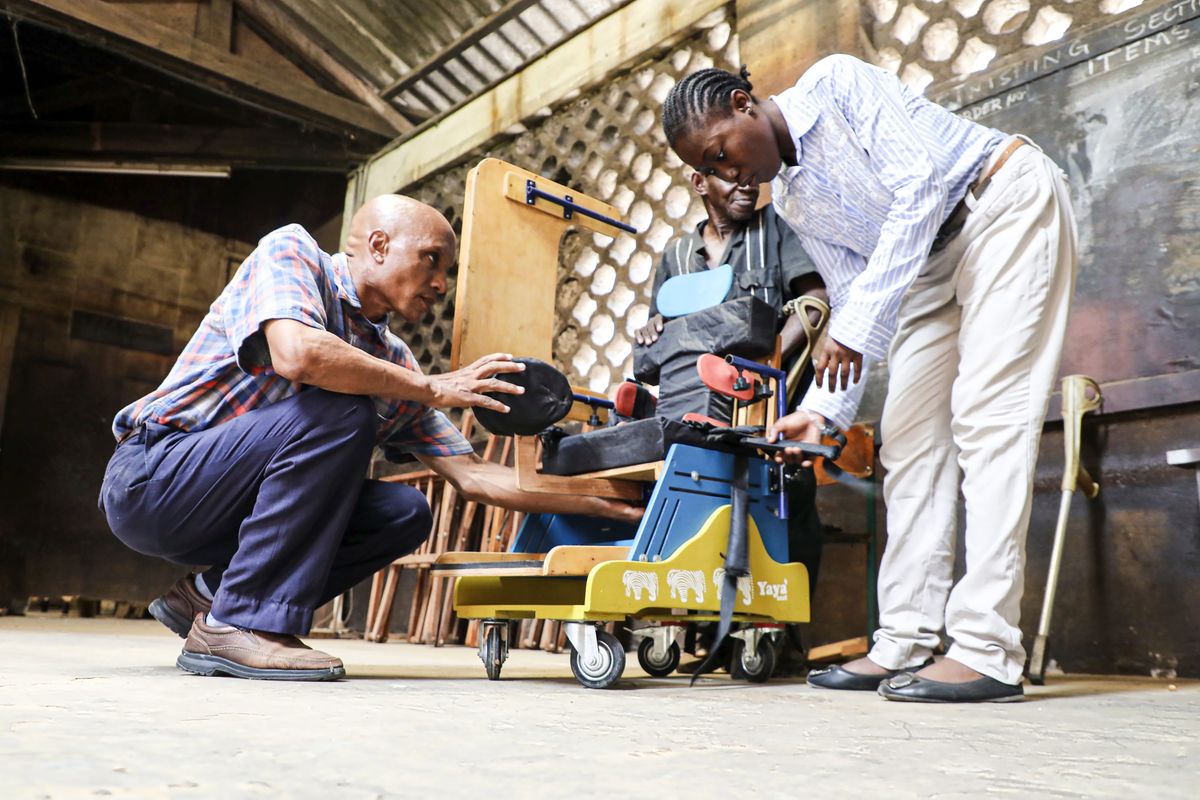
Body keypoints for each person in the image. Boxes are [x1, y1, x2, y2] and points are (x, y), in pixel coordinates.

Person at [661, 56, 1077, 703]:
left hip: (1001, 205)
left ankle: (988, 649)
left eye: (722, 151)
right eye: (711, 169)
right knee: (908, 441)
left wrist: (852, 330)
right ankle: (905, 640)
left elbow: (922, 185)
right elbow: (857, 299)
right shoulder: (795, 197)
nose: (728, 173)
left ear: (745, 104)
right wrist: (823, 411)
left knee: (986, 418)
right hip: (928, 270)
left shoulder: (836, 84)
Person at [99, 195, 641, 682]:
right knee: (344, 409)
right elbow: (299, 355)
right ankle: (238, 623)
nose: (441, 284)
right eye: (432, 259)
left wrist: (610, 504)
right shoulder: (293, 254)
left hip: (229, 518)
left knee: (404, 511)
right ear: (379, 245)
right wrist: (430, 386)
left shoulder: (392, 363)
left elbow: (473, 475)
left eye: (447, 271)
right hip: (155, 480)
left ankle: (212, 596)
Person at [634, 171, 828, 672]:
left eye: (753, 178)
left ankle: (781, 633)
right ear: (700, 181)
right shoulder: (677, 257)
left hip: (767, 408)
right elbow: (664, 331)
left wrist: (770, 360)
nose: (749, 187)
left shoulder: (774, 231)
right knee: (694, 500)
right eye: (731, 178)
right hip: (699, 410)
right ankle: (701, 629)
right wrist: (654, 326)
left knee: (790, 497)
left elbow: (816, 300)